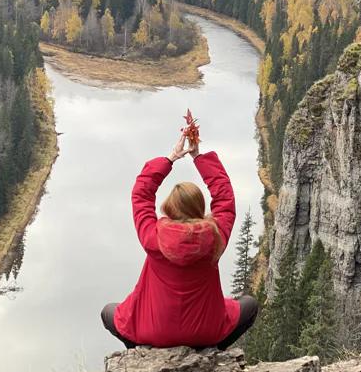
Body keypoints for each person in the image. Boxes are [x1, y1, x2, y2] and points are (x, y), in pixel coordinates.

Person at [101, 133, 259, 350]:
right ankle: (211, 351)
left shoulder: (153, 237)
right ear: (199, 209)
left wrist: (170, 158)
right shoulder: (215, 237)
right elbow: (225, 199)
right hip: (206, 332)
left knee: (109, 311)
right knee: (249, 305)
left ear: (169, 208)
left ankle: (141, 351)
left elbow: (141, 194)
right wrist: (199, 157)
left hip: (153, 332)